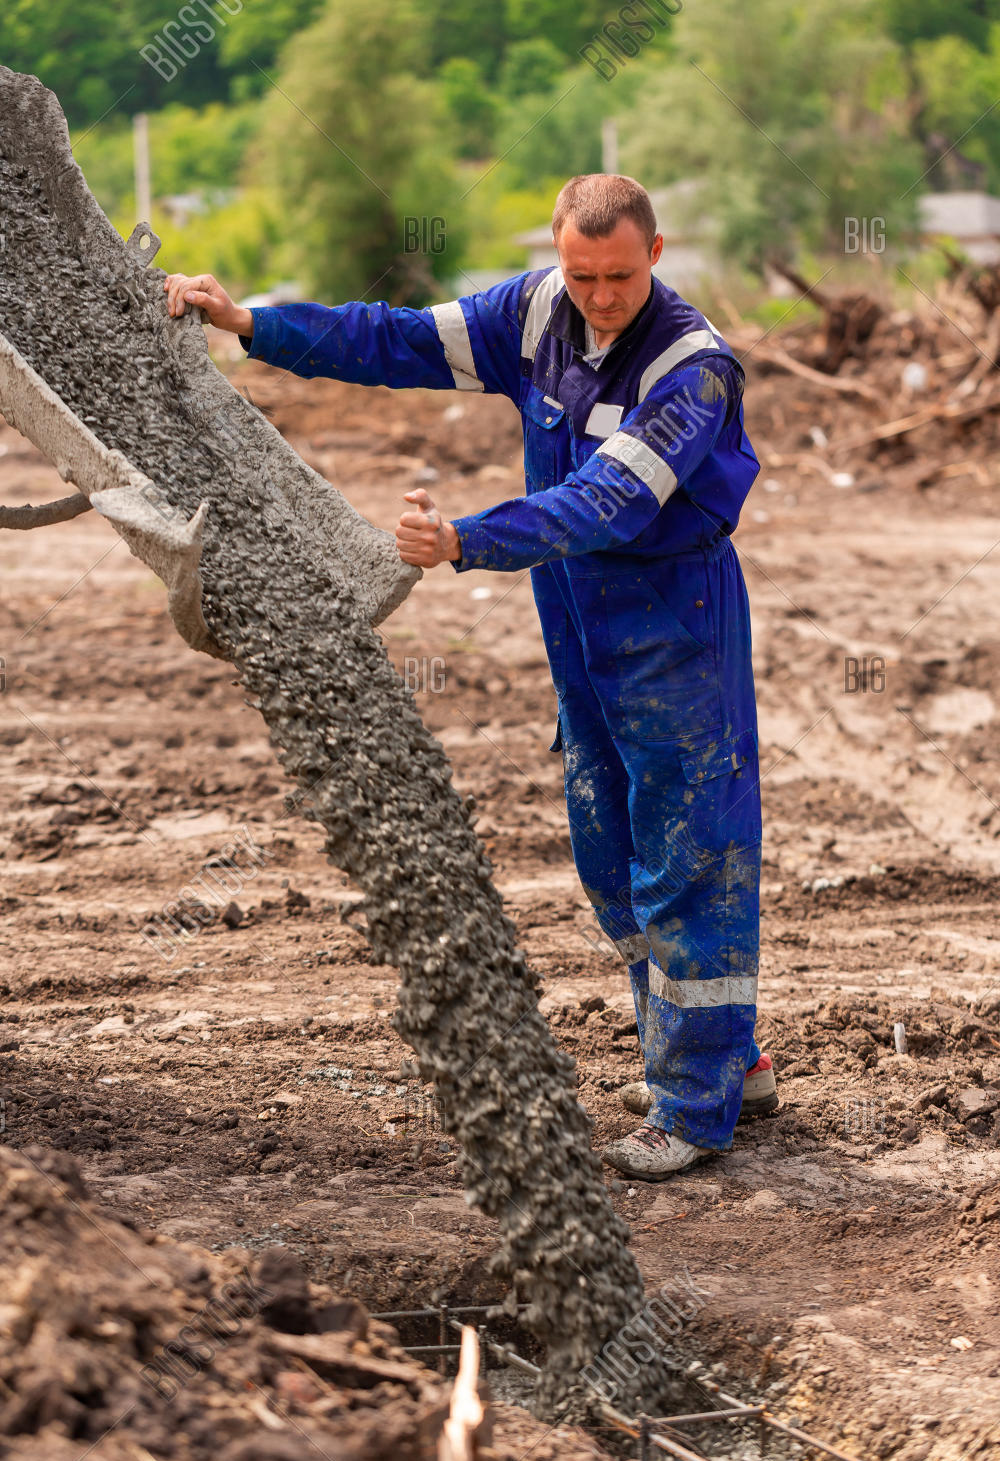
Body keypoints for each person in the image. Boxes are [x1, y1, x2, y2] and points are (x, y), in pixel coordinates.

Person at [164, 172, 776, 1181]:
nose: (600, 297)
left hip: (675, 619)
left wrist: (462, 539)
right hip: (578, 615)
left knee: (688, 851)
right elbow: (397, 339)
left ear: (656, 256)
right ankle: (724, 1057)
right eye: (582, 274)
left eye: (620, 276)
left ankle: (695, 1106)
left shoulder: (691, 371)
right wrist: (251, 324)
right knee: (611, 850)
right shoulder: (537, 310)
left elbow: (604, 505)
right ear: (556, 254)